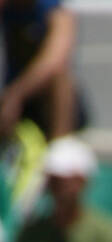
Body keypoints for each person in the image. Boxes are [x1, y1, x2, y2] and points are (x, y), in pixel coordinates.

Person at [0, 0, 84, 140]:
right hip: (13, 99)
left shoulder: (54, 9)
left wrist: (16, 95)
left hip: (42, 99)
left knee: (60, 77)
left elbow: (56, 59)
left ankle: (59, 145)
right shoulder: (9, 8)